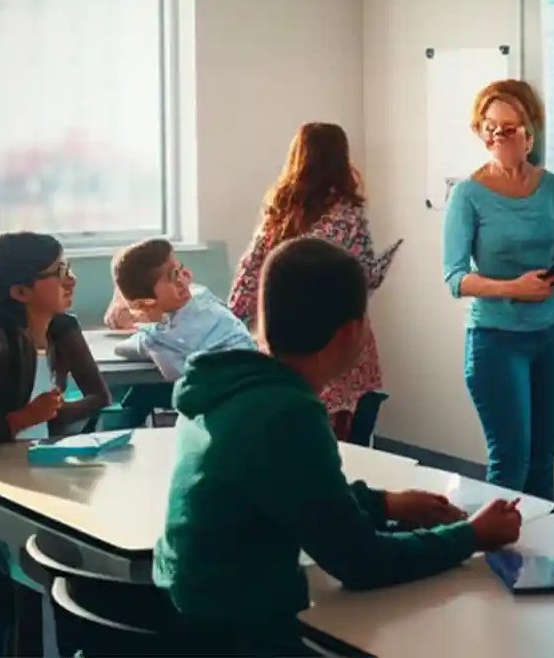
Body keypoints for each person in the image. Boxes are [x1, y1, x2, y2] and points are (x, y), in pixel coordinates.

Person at [154, 236, 522, 655]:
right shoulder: (286, 414)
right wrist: (471, 535)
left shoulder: (230, 386)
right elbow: (362, 562)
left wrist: (383, 504)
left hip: (193, 620)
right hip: (246, 637)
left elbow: (290, 493)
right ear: (349, 332)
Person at [0, 231, 112, 656]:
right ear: (20, 291)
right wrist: (21, 419)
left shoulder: (60, 330)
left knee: (52, 593)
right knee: (5, 612)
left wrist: (50, 417)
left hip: (32, 481)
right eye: (59, 272)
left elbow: (95, 397)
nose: (71, 280)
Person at [442, 79, 554, 498]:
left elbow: (550, 259)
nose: (496, 135)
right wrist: (511, 287)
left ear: (530, 133)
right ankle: (493, 556)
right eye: (489, 127)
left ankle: (543, 556)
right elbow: (455, 278)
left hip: (551, 335)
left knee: (543, 459)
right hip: (495, 341)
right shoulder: (468, 194)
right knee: (511, 460)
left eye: (507, 127)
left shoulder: (551, 187)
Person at [229, 122, 401, 441]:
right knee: (353, 447)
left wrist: (239, 327)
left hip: (286, 342)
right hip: (339, 342)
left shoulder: (278, 213)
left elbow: (247, 277)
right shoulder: (348, 214)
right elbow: (360, 276)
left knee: (297, 439)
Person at [109, 238, 256, 426]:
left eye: (180, 269)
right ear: (147, 302)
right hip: (226, 392)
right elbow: (133, 346)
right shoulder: (163, 328)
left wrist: (139, 316)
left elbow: (128, 348)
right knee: (140, 395)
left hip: (231, 395)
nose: (185, 277)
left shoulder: (197, 308)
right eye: (172, 276)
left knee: (139, 396)